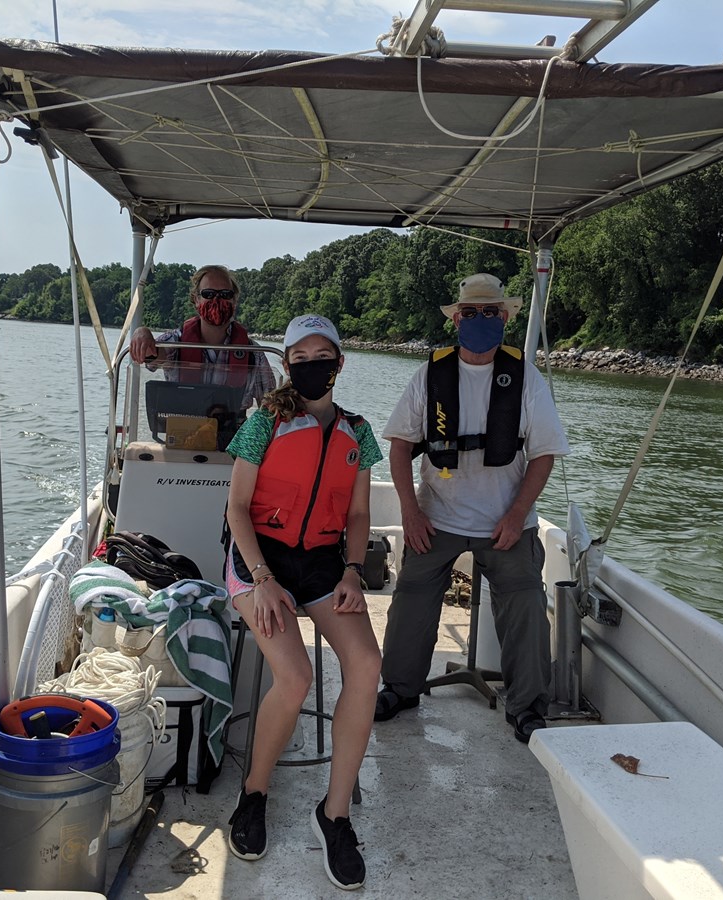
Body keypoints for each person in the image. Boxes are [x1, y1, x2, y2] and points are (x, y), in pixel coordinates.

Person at [222, 314, 383, 891]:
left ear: (340, 362)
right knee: (294, 679)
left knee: (367, 665)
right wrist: (263, 579)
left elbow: (358, 514)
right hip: (258, 559)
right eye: (301, 357)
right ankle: (253, 794)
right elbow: (236, 509)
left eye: (323, 356)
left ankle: (334, 815)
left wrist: (353, 572)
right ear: (288, 363)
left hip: (322, 563)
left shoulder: (358, 432)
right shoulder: (264, 422)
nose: (313, 365)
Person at [374, 273, 570, 744]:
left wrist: (517, 515)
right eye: (470, 312)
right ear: (456, 320)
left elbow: (544, 454)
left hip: (507, 522)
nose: (480, 319)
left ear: (505, 318)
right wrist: (410, 512)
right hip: (436, 517)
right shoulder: (430, 375)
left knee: (526, 603)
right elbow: (400, 446)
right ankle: (400, 689)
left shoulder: (525, 378)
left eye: (489, 312)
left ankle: (527, 708)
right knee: (410, 597)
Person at [129, 264, 276, 406]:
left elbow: (271, 403)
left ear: (234, 301)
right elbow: (153, 355)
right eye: (208, 294)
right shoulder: (177, 341)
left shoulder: (253, 353)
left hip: (234, 423)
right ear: (196, 300)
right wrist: (142, 333)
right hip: (182, 420)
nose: (216, 300)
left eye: (225, 294)